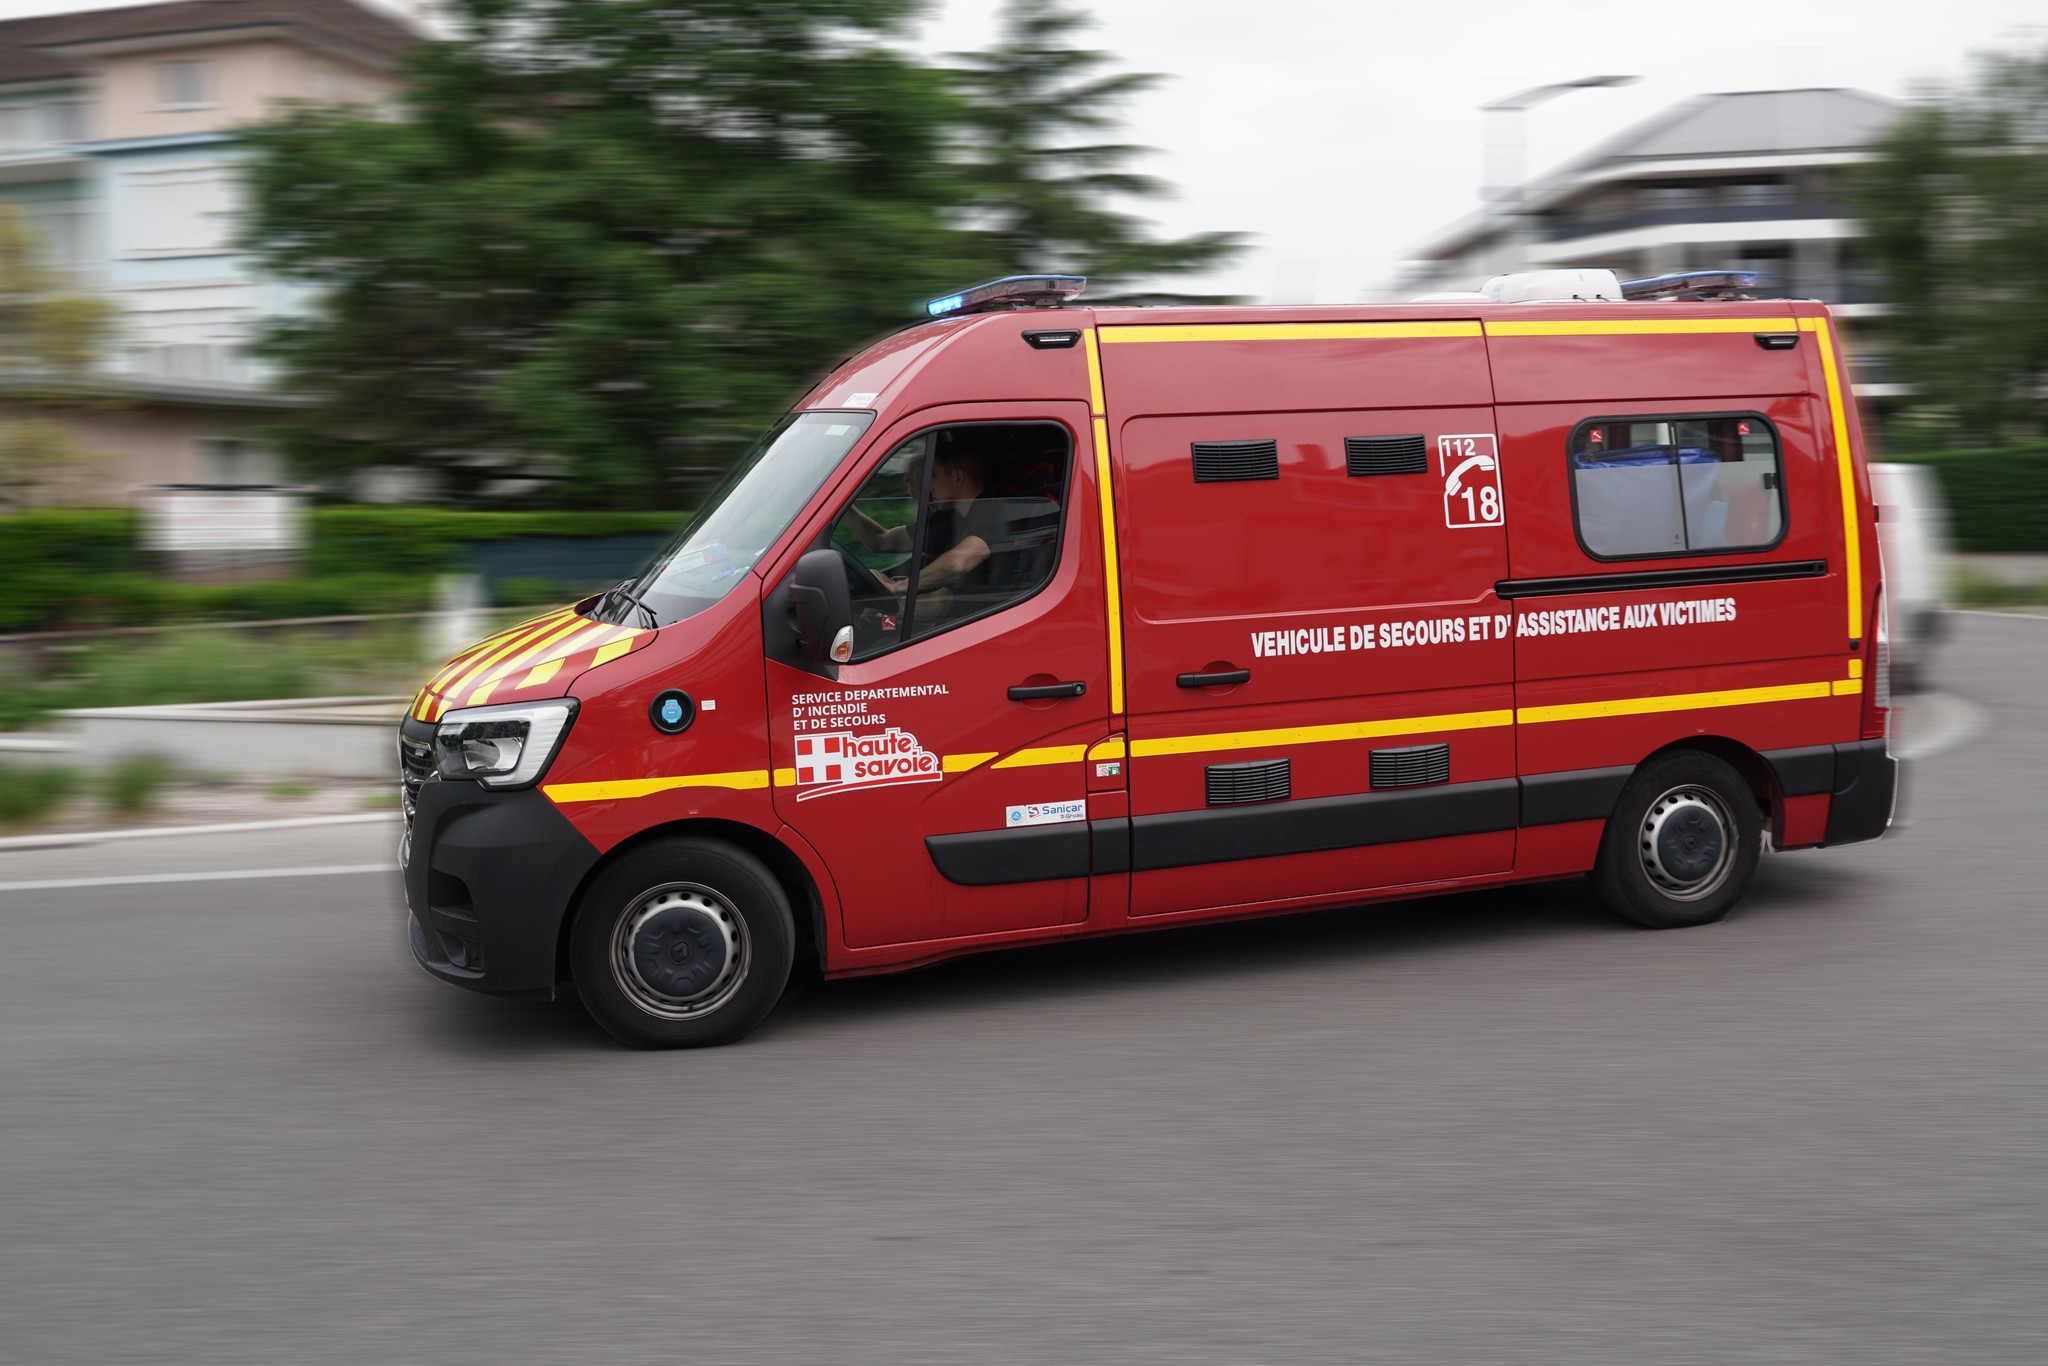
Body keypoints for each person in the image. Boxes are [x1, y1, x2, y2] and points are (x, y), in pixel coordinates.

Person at [846, 442, 997, 598]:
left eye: (933, 476)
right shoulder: (947, 518)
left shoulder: (991, 512)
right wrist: (842, 504)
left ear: (958, 478)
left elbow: (957, 563)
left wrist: (897, 587)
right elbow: (881, 541)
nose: (929, 486)